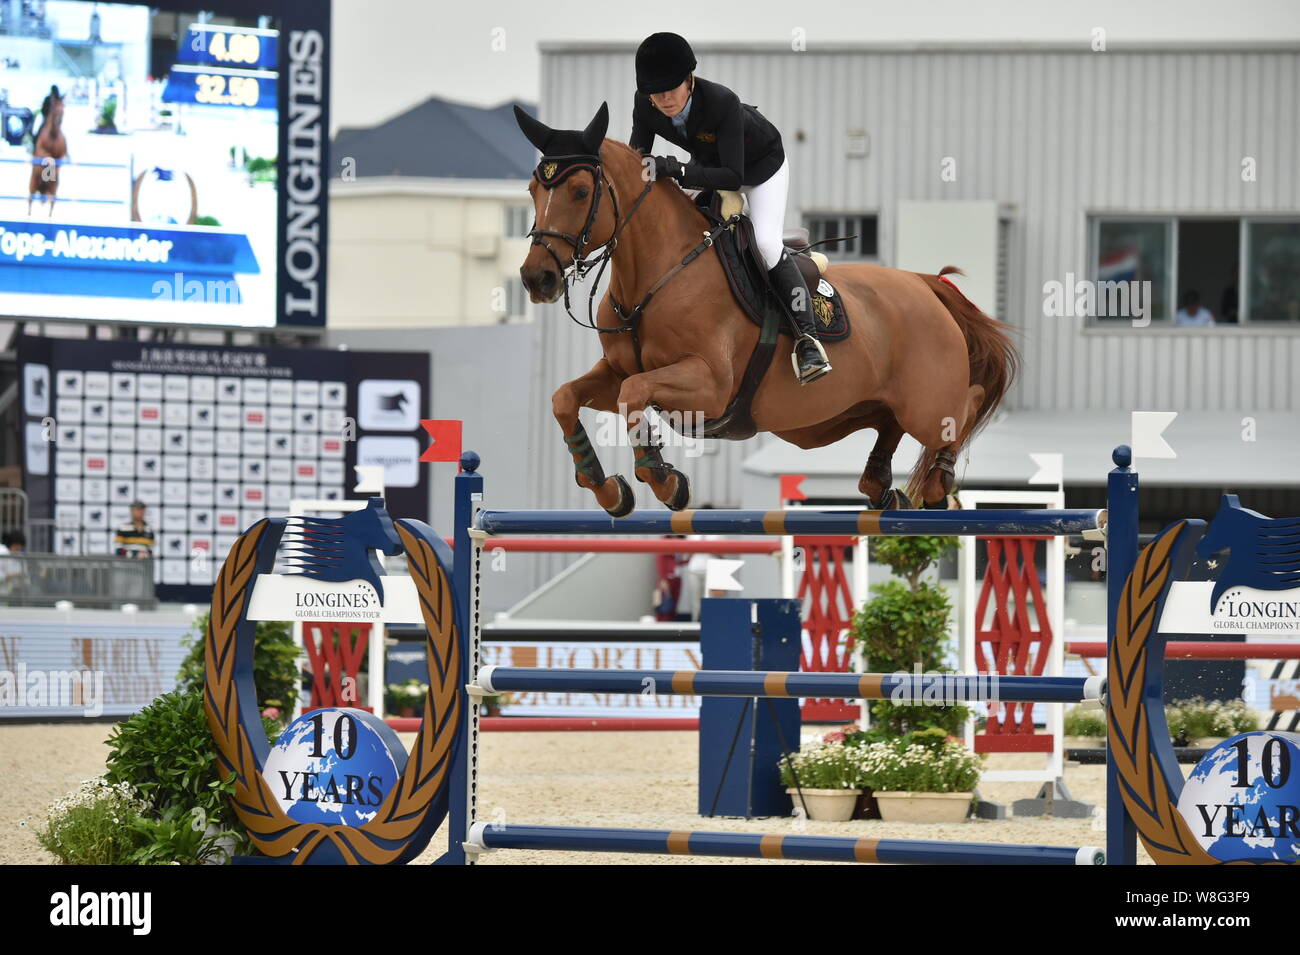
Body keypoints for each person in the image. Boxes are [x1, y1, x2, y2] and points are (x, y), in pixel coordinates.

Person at [629, 32, 831, 385]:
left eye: (671, 89)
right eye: (656, 92)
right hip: (709, 166)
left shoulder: (721, 102)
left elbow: (734, 175)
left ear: (689, 80)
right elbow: (637, 159)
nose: (664, 99)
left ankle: (807, 340)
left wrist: (675, 169)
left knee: (766, 244)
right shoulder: (645, 104)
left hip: (759, 169)